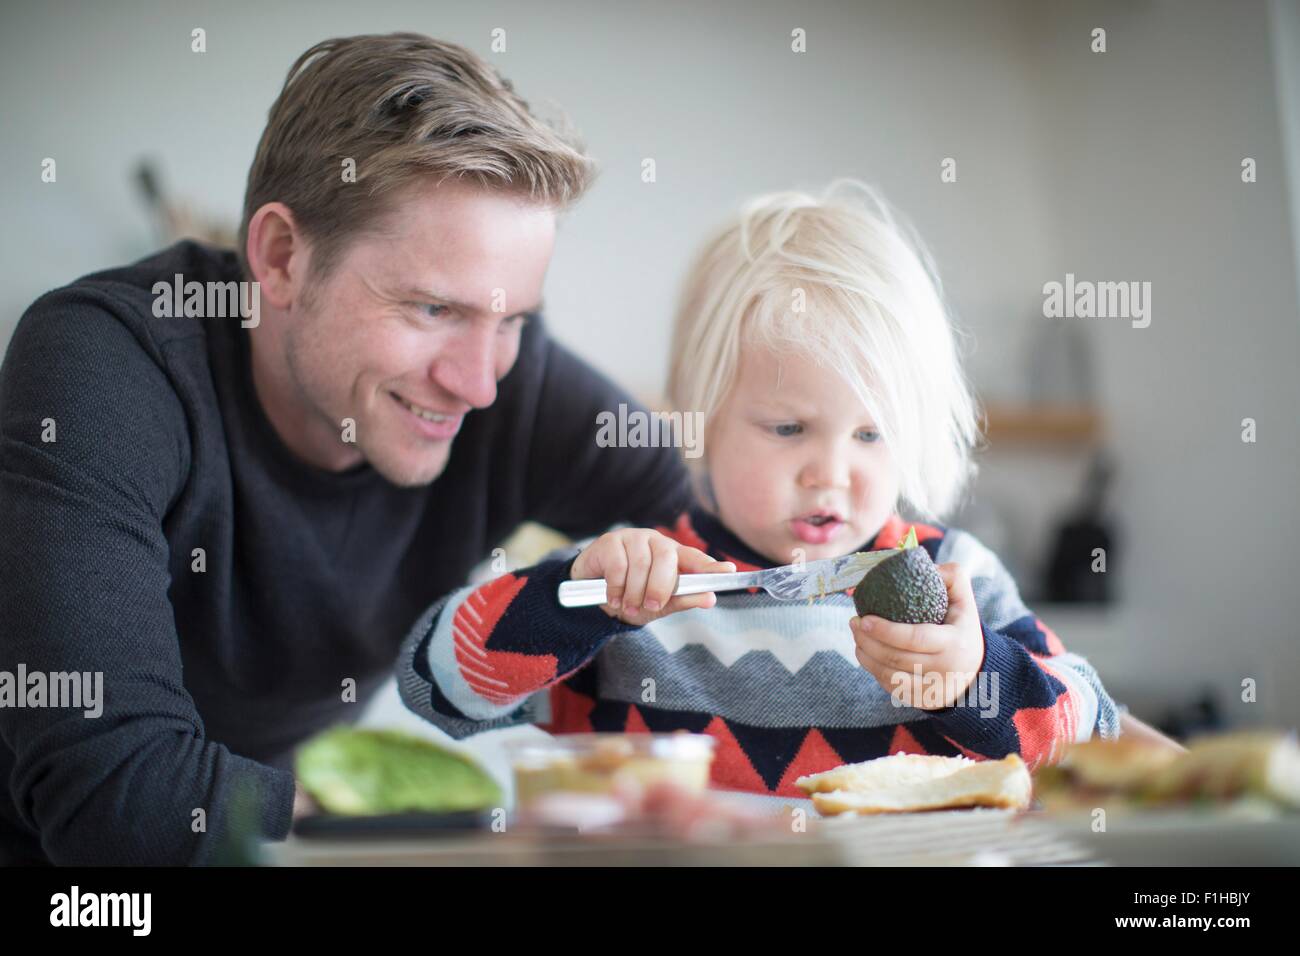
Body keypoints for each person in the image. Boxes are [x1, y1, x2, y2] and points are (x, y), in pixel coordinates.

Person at [0, 33, 699, 865]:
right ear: (282, 258)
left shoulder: (513, 380)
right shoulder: (103, 368)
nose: (479, 384)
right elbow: (120, 793)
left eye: (511, 319)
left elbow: (729, 529)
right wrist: (469, 833)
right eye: (432, 310)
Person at [398, 181, 1126, 797]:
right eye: (788, 429)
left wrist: (976, 678)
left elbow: (1094, 734)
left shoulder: (955, 580)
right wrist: (570, 594)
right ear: (704, 422)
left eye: (871, 435)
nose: (831, 472)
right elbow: (434, 686)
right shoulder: (635, 582)